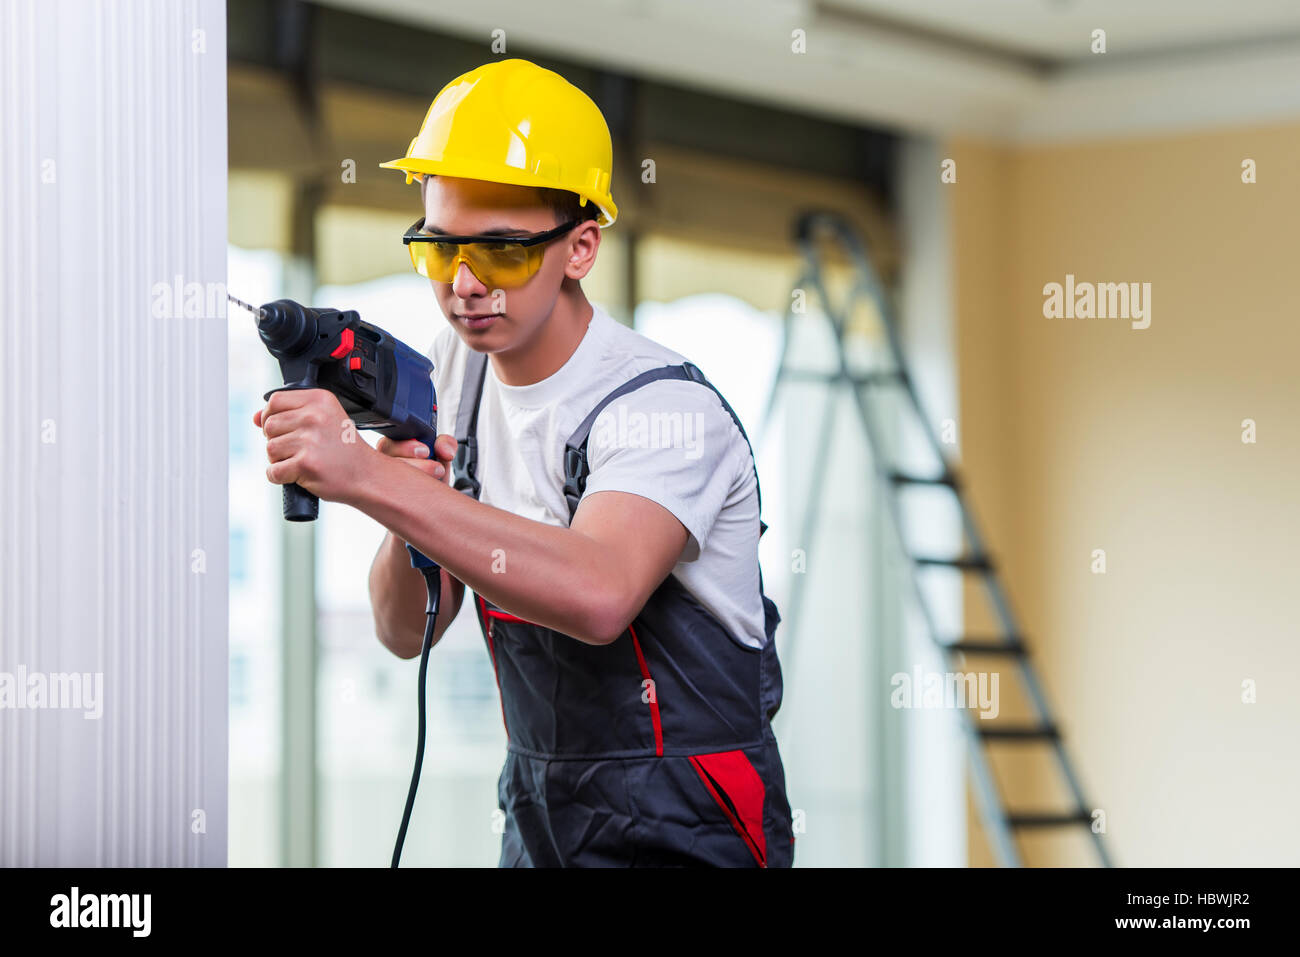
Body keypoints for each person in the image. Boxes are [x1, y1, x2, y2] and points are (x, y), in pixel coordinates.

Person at [255, 58, 794, 867]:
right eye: (440, 250)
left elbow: (600, 591)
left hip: (692, 829)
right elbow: (408, 630)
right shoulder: (457, 382)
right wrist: (397, 493)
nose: (465, 284)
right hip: (541, 819)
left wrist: (361, 476)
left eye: (501, 252)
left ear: (581, 247)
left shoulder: (662, 410)